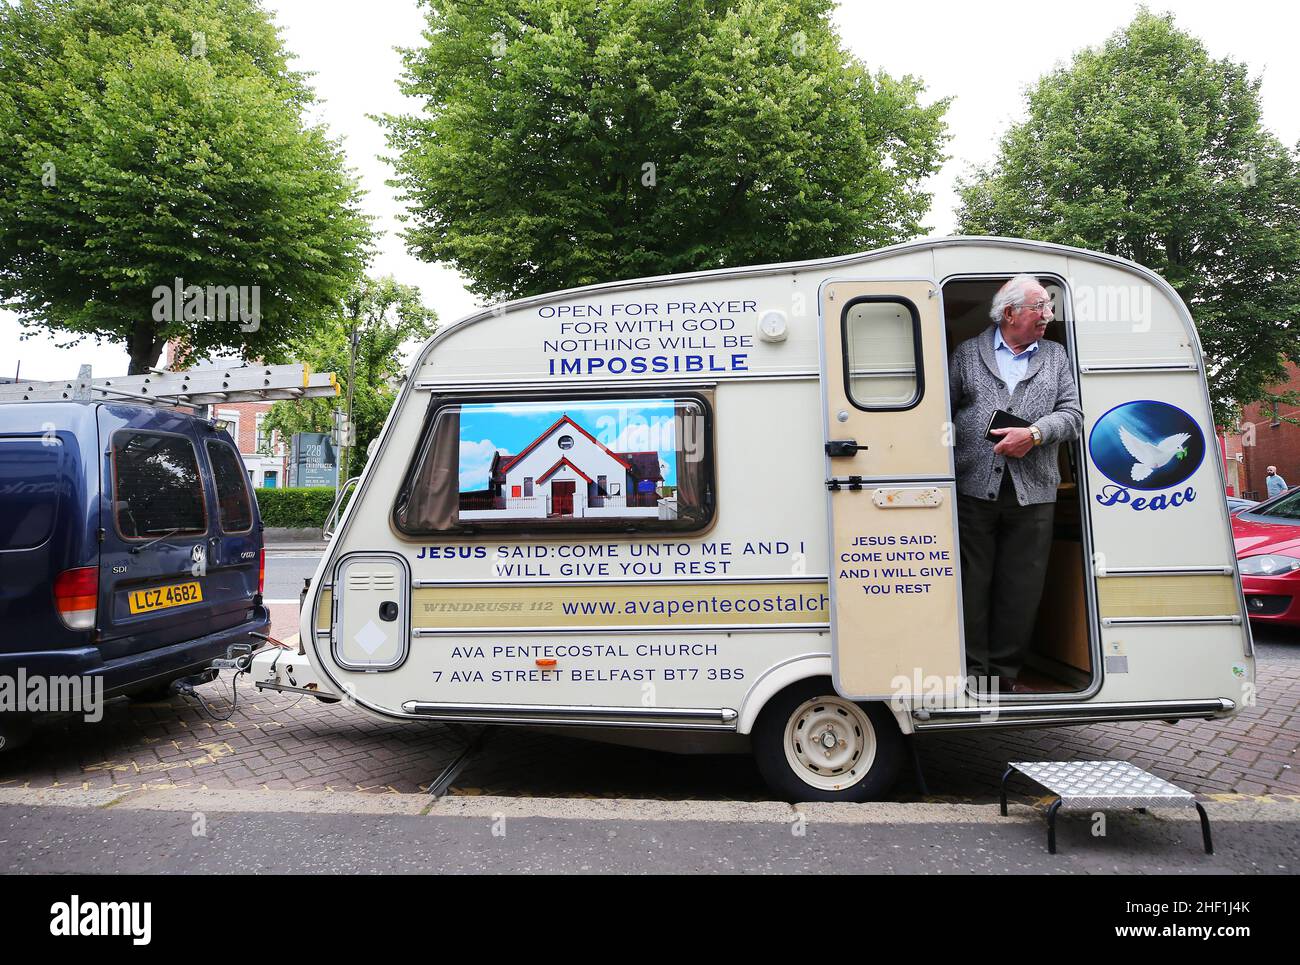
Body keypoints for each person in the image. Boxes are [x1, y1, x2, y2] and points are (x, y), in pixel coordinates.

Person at [948, 275, 1084, 694]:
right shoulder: (968, 354)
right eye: (1040, 307)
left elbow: (1074, 415)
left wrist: (1037, 434)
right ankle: (974, 672)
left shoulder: (1057, 357)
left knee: (1021, 588)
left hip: (1035, 492)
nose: (1048, 315)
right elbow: (941, 412)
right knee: (974, 582)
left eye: (1047, 307)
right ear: (1011, 313)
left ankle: (1004, 675)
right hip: (974, 487)